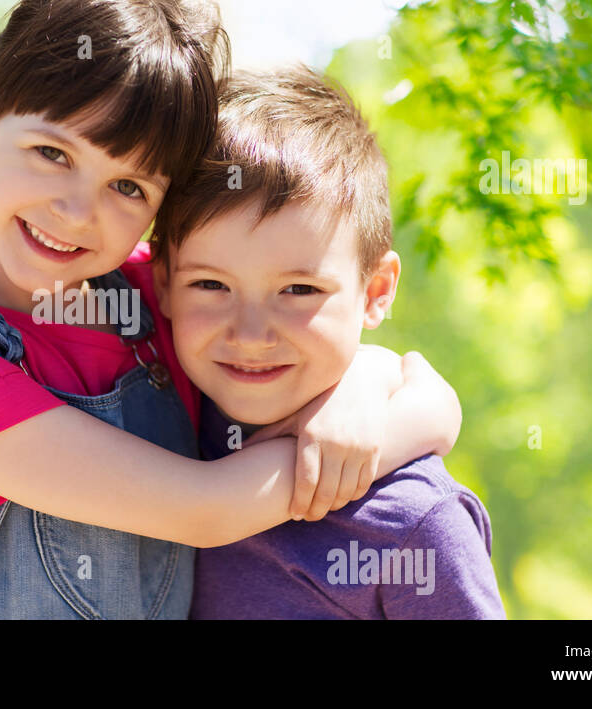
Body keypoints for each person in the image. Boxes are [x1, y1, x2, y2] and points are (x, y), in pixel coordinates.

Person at [0, 0, 463, 620]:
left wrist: (362, 388)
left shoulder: (161, 295)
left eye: (128, 187)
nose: (76, 212)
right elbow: (204, 510)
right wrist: (373, 442)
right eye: (52, 152)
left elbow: (432, 397)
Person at [144, 66, 506, 618]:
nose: (250, 334)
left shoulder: (412, 524)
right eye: (211, 284)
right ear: (164, 281)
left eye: (298, 289)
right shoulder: (151, 429)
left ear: (376, 290)